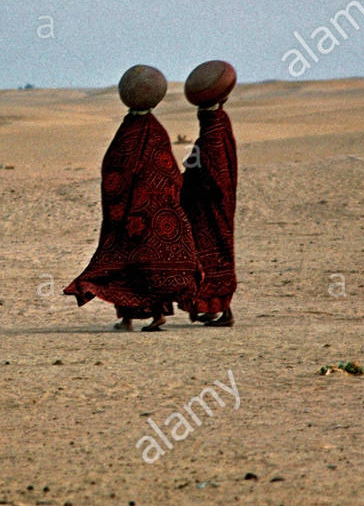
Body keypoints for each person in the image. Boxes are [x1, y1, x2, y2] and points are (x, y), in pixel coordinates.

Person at [64, 65, 199, 331]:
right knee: (150, 266)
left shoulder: (128, 134)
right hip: (156, 217)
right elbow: (170, 173)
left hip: (129, 218)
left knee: (127, 265)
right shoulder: (156, 132)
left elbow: (114, 173)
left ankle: (127, 319)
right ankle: (157, 313)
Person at [179, 60, 238, 326]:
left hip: (211, 206)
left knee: (214, 255)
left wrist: (187, 179)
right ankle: (214, 308)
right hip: (215, 206)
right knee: (213, 254)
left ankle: (223, 310)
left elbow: (212, 173)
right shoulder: (218, 127)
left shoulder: (214, 132)